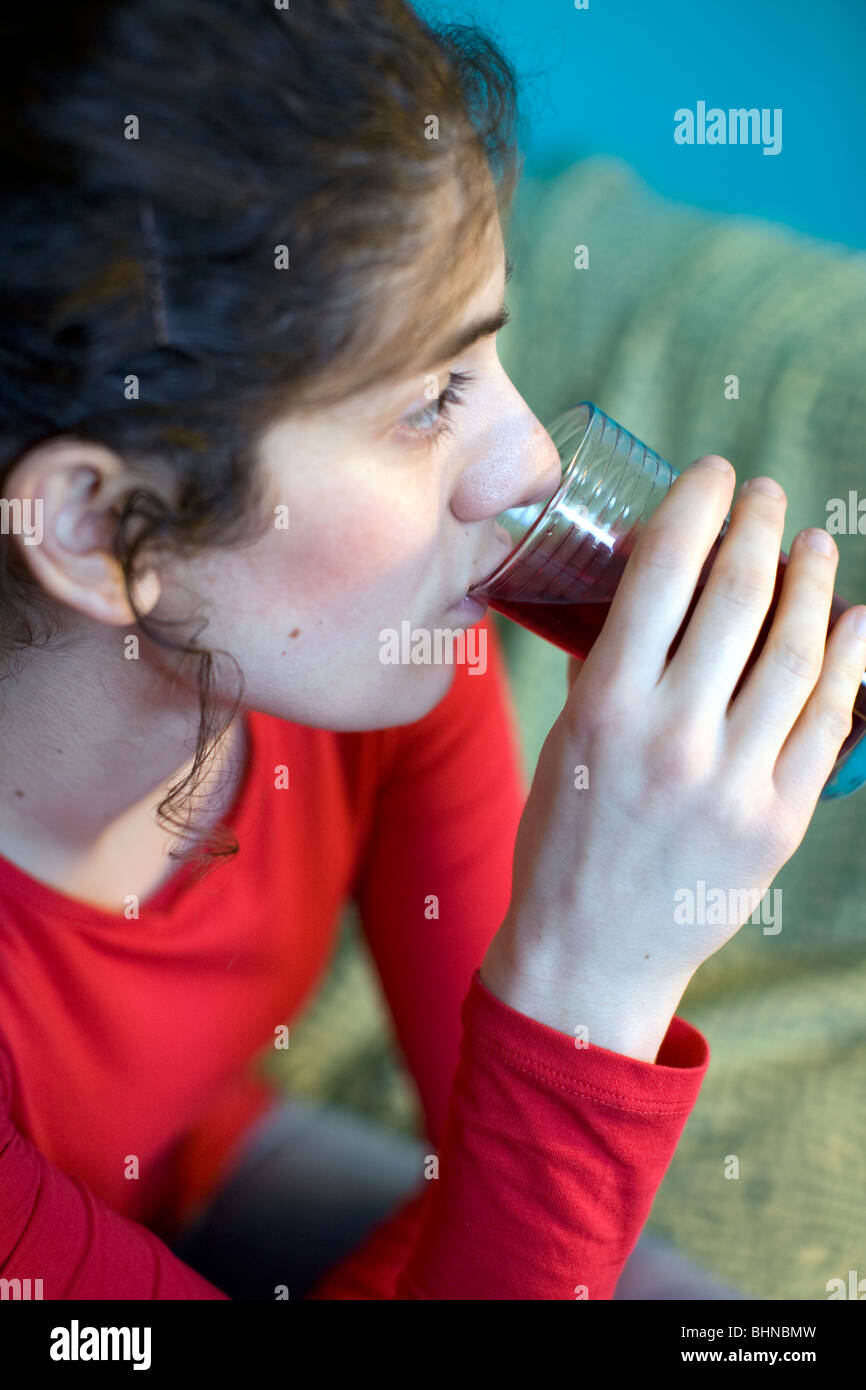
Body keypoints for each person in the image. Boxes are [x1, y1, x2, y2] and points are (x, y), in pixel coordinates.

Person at [1, 0, 863, 1302]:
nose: (522, 464)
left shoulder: (388, 661)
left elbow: (504, 1176)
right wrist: (595, 976)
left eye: (492, 349)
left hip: (195, 1155)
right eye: (429, 401)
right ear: (97, 526)